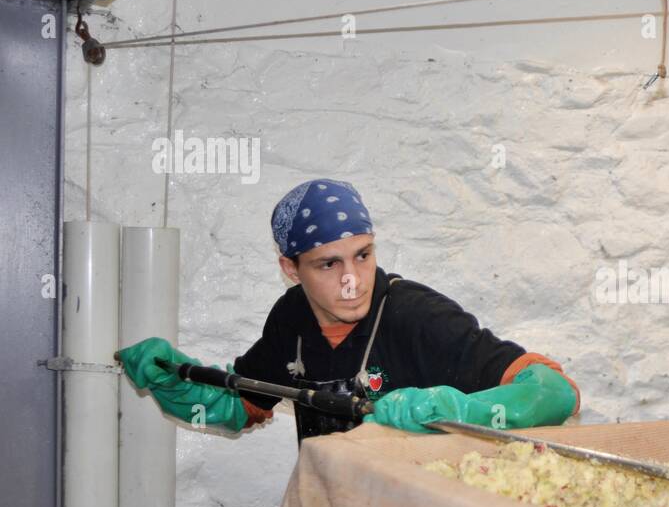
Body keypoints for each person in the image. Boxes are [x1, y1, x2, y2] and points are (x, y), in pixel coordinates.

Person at [118, 179, 579, 444]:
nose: (352, 280)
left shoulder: (415, 315)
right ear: (290, 269)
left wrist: (453, 408)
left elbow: (555, 393)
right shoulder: (290, 319)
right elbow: (243, 404)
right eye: (328, 263)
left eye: (363, 254)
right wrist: (175, 380)